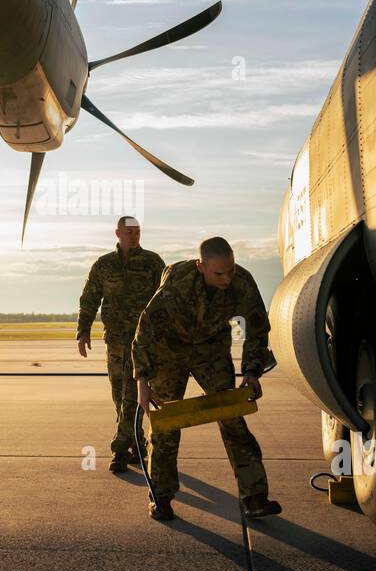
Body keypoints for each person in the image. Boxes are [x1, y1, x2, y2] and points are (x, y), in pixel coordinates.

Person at [132, 236, 281, 521]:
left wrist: (251, 372)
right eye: (218, 273)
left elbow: (257, 329)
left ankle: (255, 497)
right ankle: (160, 497)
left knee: (232, 416)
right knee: (166, 424)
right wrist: (143, 382)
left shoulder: (242, 283)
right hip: (169, 350)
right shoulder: (178, 282)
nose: (226, 279)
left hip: (211, 349)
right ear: (200, 266)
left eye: (230, 270)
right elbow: (145, 330)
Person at [76, 216, 166, 472]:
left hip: (142, 342)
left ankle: (120, 449)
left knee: (131, 394)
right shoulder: (104, 265)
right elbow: (90, 298)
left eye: (137, 231)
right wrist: (83, 331)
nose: (134, 236)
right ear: (118, 233)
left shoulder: (152, 262)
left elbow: (164, 299)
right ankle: (137, 444)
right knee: (119, 395)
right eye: (129, 232)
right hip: (115, 340)